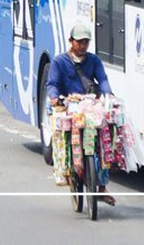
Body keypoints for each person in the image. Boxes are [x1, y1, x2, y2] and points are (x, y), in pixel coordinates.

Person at [46, 22, 115, 205]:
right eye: (79, 42)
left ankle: (101, 187)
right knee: (64, 139)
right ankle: (68, 172)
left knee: (104, 140)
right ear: (71, 41)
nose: (83, 46)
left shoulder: (94, 61)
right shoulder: (59, 62)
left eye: (86, 42)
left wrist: (108, 96)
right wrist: (55, 98)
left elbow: (103, 80)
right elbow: (52, 84)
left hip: (90, 107)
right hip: (68, 106)